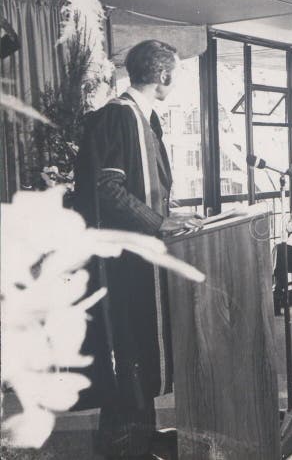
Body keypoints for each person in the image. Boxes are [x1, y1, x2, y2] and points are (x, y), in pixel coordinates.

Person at [73, 39, 199, 460]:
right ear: (163, 77)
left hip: (137, 257)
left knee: (138, 351)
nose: (173, 82)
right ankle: (125, 445)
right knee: (128, 351)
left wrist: (170, 213)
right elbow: (108, 190)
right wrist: (160, 222)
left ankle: (139, 439)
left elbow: (142, 189)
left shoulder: (141, 119)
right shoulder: (118, 117)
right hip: (124, 263)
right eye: (174, 75)